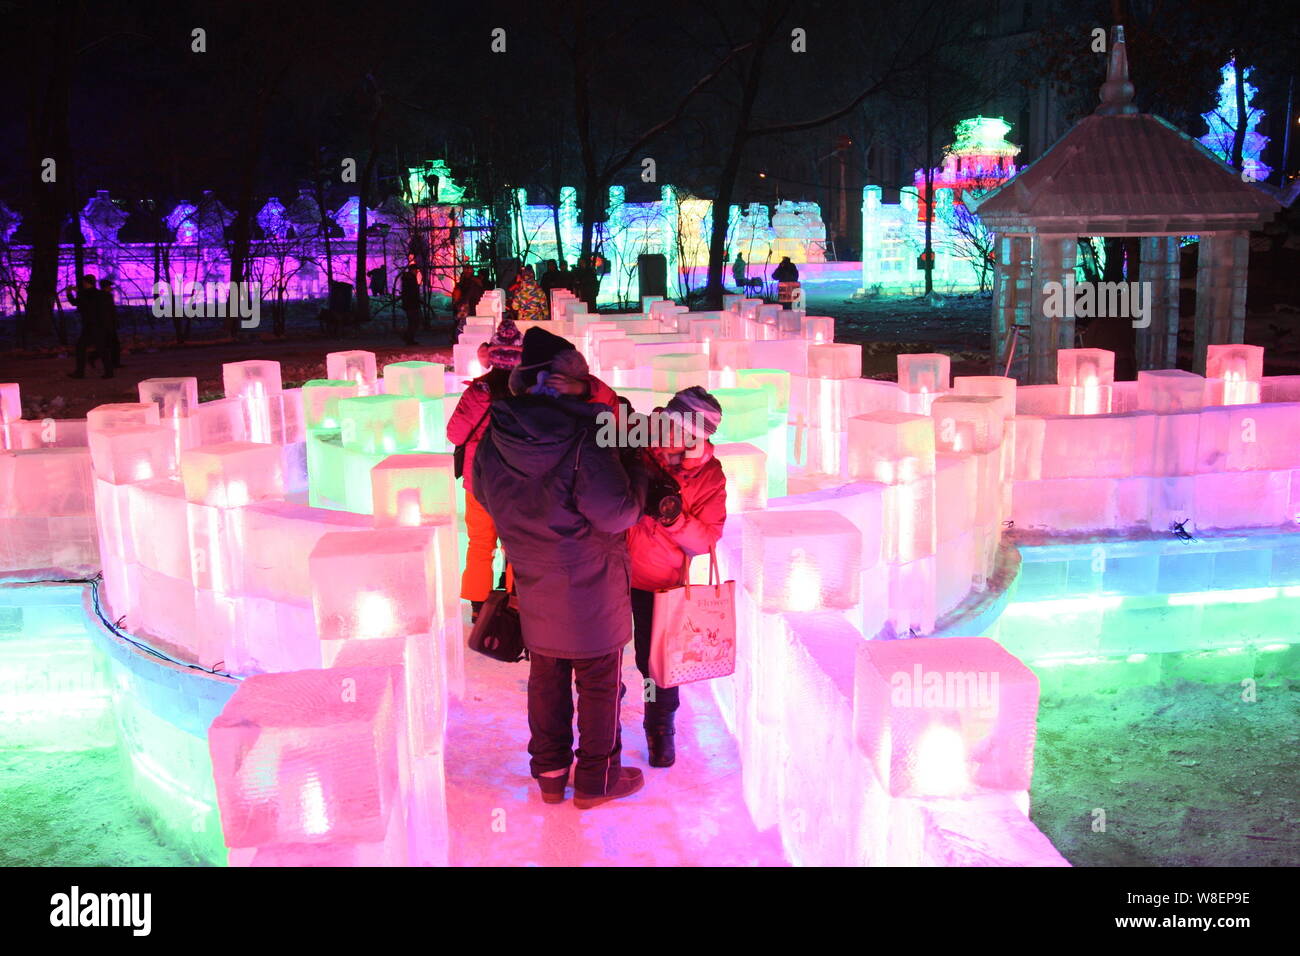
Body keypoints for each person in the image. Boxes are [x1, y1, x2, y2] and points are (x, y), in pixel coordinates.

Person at [473, 327, 647, 809]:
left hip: (533, 581)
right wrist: (635, 471)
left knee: (546, 676)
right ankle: (597, 777)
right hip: (591, 583)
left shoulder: (496, 433)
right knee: (598, 681)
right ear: (568, 382)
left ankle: (550, 773)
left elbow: (482, 492)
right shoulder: (586, 435)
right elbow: (615, 512)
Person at [626, 386, 726, 767]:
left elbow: (706, 540)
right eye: (670, 423)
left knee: (658, 666)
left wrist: (672, 516)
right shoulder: (635, 448)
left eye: (685, 430)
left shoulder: (709, 476)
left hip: (661, 582)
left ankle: (660, 728)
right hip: (610, 571)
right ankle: (601, 728)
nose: (673, 434)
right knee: (600, 657)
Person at [446, 313, 523, 621]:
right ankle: (516, 600)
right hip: (516, 483)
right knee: (517, 545)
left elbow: (454, 434)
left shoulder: (476, 394)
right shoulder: (527, 395)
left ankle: (479, 605)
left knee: (480, 544)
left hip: (478, 483)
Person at [64, 274, 109, 379]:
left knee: (81, 348)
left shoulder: (85, 294)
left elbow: (75, 302)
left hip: (90, 325)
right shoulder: (99, 294)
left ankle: (80, 372)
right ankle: (109, 372)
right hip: (99, 324)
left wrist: (70, 293)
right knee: (101, 348)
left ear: (86, 282)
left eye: (84, 282)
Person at [99, 278, 123, 371]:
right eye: (109, 286)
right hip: (108, 324)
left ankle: (114, 362)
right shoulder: (105, 297)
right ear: (106, 287)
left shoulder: (105, 296)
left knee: (111, 344)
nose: (111, 288)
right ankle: (114, 362)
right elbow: (109, 312)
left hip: (108, 324)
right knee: (112, 344)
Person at [400, 257, 422, 345]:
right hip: (412, 304)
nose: (417, 272)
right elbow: (412, 293)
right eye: (416, 270)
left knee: (413, 322)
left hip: (410, 304)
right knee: (414, 322)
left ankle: (408, 337)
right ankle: (409, 338)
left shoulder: (408, 279)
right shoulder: (411, 279)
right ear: (413, 270)